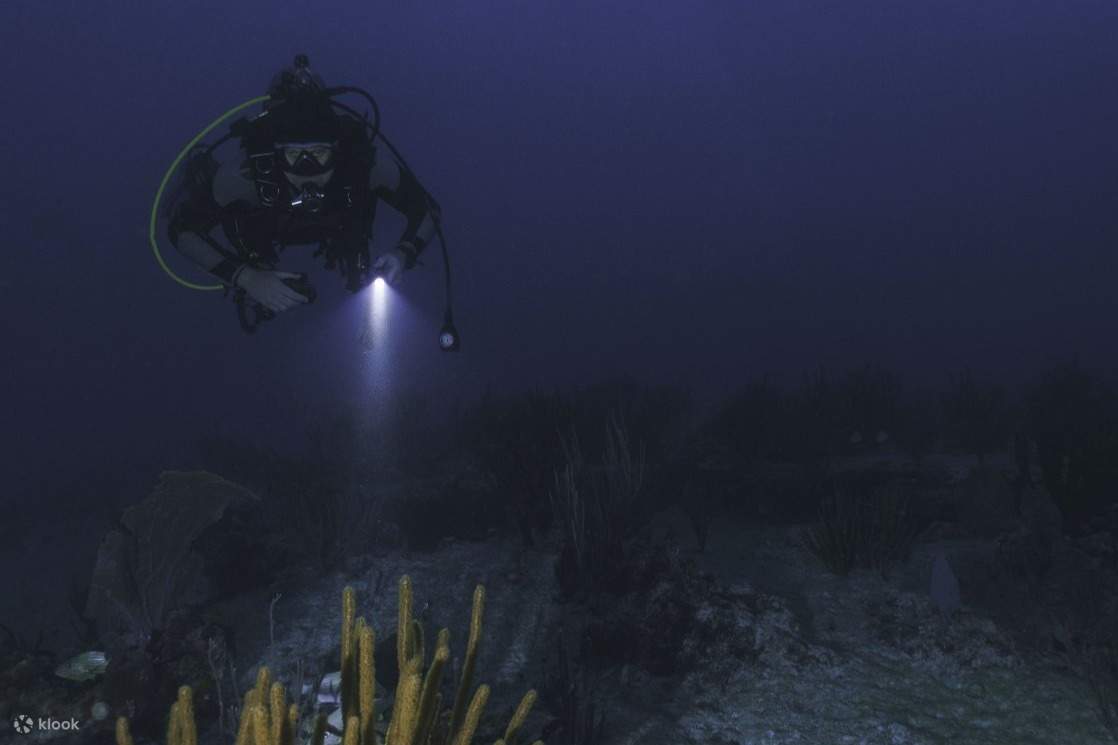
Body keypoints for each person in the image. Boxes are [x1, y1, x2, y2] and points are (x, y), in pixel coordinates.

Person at [166, 56, 441, 324]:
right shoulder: (244, 176)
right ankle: (257, 262)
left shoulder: (361, 166)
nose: (307, 168)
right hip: (259, 243)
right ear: (273, 155)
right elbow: (181, 229)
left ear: (337, 150)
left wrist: (403, 254)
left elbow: (427, 209)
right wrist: (247, 277)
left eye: (319, 153)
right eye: (294, 155)